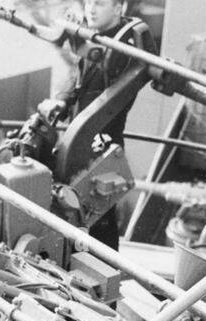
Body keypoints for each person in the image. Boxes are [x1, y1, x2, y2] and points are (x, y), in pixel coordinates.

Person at [57, 0, 154, 248]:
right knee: (71, 210)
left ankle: (107, 272)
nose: (91, 8)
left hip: (102, 143)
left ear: (119, 8)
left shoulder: (126, 50)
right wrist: (61, 101)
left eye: (99, 3)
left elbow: (115, 98)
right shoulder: (94, 38)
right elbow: (77, 77)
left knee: (98, 218)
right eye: (88, 2)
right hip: (77, 138)